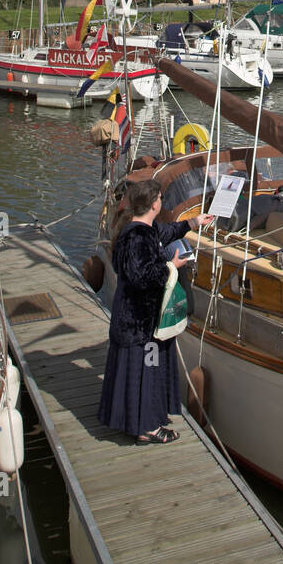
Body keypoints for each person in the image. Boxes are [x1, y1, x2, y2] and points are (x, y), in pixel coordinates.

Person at [97, 178, 211, 446]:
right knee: (147, 371)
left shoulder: (136, 229)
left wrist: (194, 223)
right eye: (160, 198)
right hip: (141, 324)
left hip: (130, 318)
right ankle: (147, 428)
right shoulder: (138, 237)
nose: (162, 202)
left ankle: (134, 421)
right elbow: (141, 276)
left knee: (138, 371)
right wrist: (171, 266)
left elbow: (164, 233)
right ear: (153, 204)